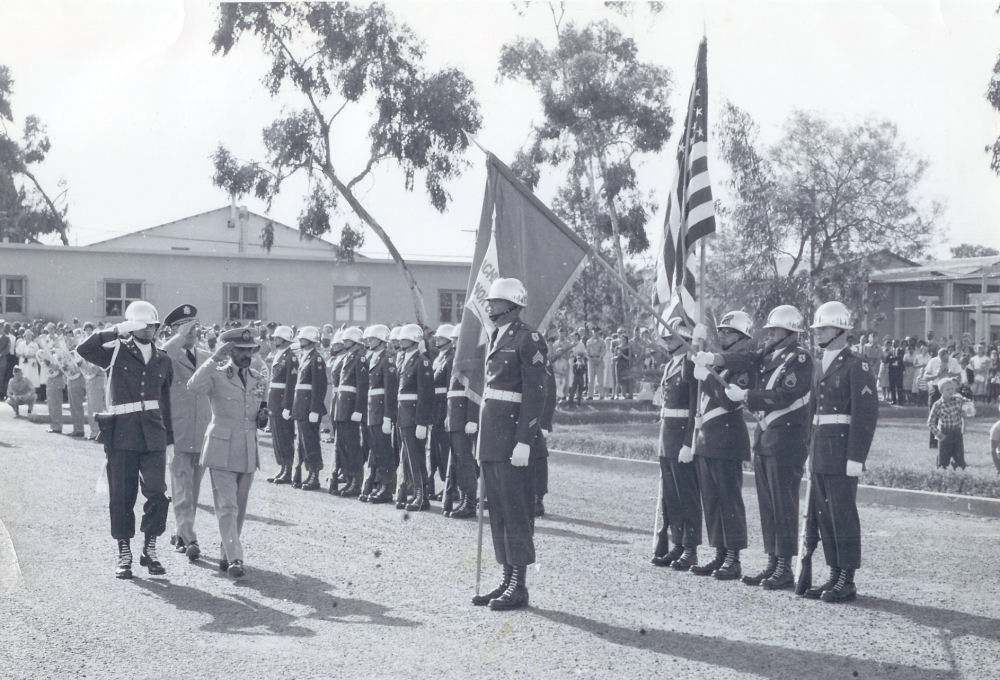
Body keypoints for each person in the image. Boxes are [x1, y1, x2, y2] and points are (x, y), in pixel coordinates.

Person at [696, 304, 814, 591]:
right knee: (768, 505)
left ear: (789, 332)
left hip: (787, 438)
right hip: (766, 437)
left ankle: (785, 567)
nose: (770, 334)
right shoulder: (769, 354)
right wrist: (714, 357)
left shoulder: (799, 358)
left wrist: (748, 394)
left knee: (783, 505)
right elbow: (745, 358)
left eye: (775, 330)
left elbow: (786, 394)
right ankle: (773, 563)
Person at [76, 301, 174, 579]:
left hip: (154, 433)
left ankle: (150, 547)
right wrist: (116, 330)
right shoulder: (116, 350)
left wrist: (171, 440)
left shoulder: (164, 358)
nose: (148, 330)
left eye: (152, 326)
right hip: (122, 433)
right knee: (122, 495)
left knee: (157, 492)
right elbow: (84, 349)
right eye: (142, 326)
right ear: (132, 328)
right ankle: (124, 551)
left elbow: (166, 402)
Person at [472, 278, 547, 611]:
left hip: (512, 438)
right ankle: (506, 578)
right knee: (499, 511)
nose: (489, 306)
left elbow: (535, 394)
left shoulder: (528, 339)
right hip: (492, 438)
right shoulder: (495, 336)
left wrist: (524, 442)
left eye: (495, 302)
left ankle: (519, 586)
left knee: (516, 513)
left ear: (513, 305)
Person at [798, 301, 878, 603]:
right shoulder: (821, 363)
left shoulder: (857, 365)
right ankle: (834, 573)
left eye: (824, 328)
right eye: (817, 328)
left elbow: (865, 415)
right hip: (821, 449)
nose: (818, 333)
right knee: (824, 515)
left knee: (842, 514)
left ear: (840, 330)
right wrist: (808, 450)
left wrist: (857, 457)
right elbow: (812, 412)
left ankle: (847, 578)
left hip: (842, 451)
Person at [186, 327, 267, 579]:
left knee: (239, 507)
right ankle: (235, 557)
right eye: (241, 350)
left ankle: (226, 551)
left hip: (247, 447)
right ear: (229, 351)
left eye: (249, 350)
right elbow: (193, 385)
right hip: (221, 446)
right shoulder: (217, 375)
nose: (246, 355)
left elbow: (258, 409)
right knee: (227, 505)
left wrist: (263, 416)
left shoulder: (257, 378)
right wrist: (214, 359)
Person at [689, 311, 755, 581]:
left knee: (729, 500)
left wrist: (706, 377)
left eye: (728, 332)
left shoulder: (744, 365)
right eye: (722, 331)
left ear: (742, 337)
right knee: (712, 500)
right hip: (708, 438)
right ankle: (719, 553)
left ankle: (733, 558)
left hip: (727, 438)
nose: (723, 335)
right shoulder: (720, 362)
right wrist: (697, 348)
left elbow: (729, 401)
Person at [160, 305, 212, 561]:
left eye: (193, 325)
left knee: (193, 487)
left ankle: (181, 531)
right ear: (173, 329)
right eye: (185, 326)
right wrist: (180, 336)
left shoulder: (206, 355)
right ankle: (189, 538)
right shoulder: (168, 355)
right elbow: (160, 354)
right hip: (178, 430)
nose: (192, 331)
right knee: (181, 487)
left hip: (202, 431)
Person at [649, 317, 700, 571]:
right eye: (666, 338)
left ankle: (690, 549)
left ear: (684, 339)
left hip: (681, 438)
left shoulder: (690, 365)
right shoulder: (671, 365)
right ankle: (677, 545)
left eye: (671, 337)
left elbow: (694, 409)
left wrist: (689, 442)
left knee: (686, 495)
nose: (667, 341)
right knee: (671, 497)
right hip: (667, 437)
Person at [394, 323, 434, 511]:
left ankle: (421, 494)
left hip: (414, 415)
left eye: (405, 338)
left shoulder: (422, 360)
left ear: (413, 340)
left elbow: (426, 393)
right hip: (404, 414)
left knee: (415, 456)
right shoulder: (404, 359)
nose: (401, 341)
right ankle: (411, 491)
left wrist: (422, 422)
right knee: (407, 456)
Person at [443, 322, 479, 519]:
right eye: (454, 341)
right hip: (454, 417)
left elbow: (473, 391)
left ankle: (469, 502)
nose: (455, 343)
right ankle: (464, 497)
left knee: (465, 461)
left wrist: (472, 418)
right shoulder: (456, 359)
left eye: (457, 340)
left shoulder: (470, 360)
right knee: (458, 460)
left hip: (464, 417)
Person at [359, 324, 397, 504]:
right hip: (372, 409)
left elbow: (390, 391)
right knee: (375, 449)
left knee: (384, 452)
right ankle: (377, 485)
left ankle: (386, 487)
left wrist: (388, 416)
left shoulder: (387, 359)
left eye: (372, 339)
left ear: (381, 340)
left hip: (381, 411)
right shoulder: (372, 358)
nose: (369, 341)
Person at [331, 326, 368, 496]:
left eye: (346, 340)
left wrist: (359, 409)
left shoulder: (360, 358)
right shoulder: (347, 357)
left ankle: (355, 481)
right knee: (343, 445)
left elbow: (362, 386)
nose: (343, 343)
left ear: (354, 341)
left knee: (353, 447)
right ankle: (348, 478)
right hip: (342, 407)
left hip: (351, 407)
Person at [291, 326, 328, 491]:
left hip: (309, 407)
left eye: (303, 338)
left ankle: (314, 474)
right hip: (301, 406)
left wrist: (315, 409)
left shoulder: (316, 359)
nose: (300, 340)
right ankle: (305, 472)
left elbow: (319, 386)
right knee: (302, 442)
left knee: (311, 442)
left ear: (311, 340)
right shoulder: (304, 357)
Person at [267, 325, 298, 484]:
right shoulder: (278, 355)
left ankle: (288, 469)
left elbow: (290, 384)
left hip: (282, 402)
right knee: (277, 437)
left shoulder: (290, 357)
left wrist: (287, 405)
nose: (275, 340)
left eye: (278, 338)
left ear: (285, 339)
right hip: (274, 401)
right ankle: (282, 467)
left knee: (285, 437)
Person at [430, 324, 456, 511]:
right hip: (435, 407)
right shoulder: (439, 357)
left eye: (440, 338)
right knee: (437, 451)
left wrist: (448, 413)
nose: (437, 340)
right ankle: (446, 486)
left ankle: (452, 488)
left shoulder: (451, 358)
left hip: (443, 407)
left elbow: (449, 389)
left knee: (446, 450)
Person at [927, 377, 975, 470]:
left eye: (952, 389)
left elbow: (969, 404)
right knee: (943, 460)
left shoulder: (958, 399)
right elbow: (930, 422)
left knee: (960, 458)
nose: (950, 391)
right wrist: (938, 434)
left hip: (957, 433)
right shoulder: (938, 405)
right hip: (944, 433)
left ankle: (959, 470)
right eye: (947, 389)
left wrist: (968, 409)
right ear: (941, 391)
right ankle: (942, 472)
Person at [922, 347, 962, 449]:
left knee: (951, 417)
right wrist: (936, 375)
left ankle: (951, 443)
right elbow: (925, 377)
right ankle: (933, 443)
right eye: (942, 358)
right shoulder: (933, 361)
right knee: (933, 415)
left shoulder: (953, 361)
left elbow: (959, 376)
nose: (945, 360)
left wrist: (950, 374)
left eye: (946, 358)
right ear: (939, 356)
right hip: (936, 389)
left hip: (949, 389)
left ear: (948, 355)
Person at [37, 347, 66, 434]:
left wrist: (50, 364)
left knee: (56, 405)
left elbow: (62, 369)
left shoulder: (60, 356)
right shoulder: (49, 355)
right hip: (50, 380)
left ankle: (57, 427)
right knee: (51, 404)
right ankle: (53, 425)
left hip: (57, 381)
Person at [585, 329, 605, 399]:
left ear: (599, 333)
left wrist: (600, 358)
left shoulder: (602, 341)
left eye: (597, 332)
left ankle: (601, 395)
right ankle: (590, 395)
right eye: (594, 332)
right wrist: (590, 359)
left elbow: (603, 351)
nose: (596, 334)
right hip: (591, 360)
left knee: (600, 379)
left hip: (599, 360)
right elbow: (586, 352)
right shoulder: (589, 341)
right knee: (590, 379)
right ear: (592, 333)